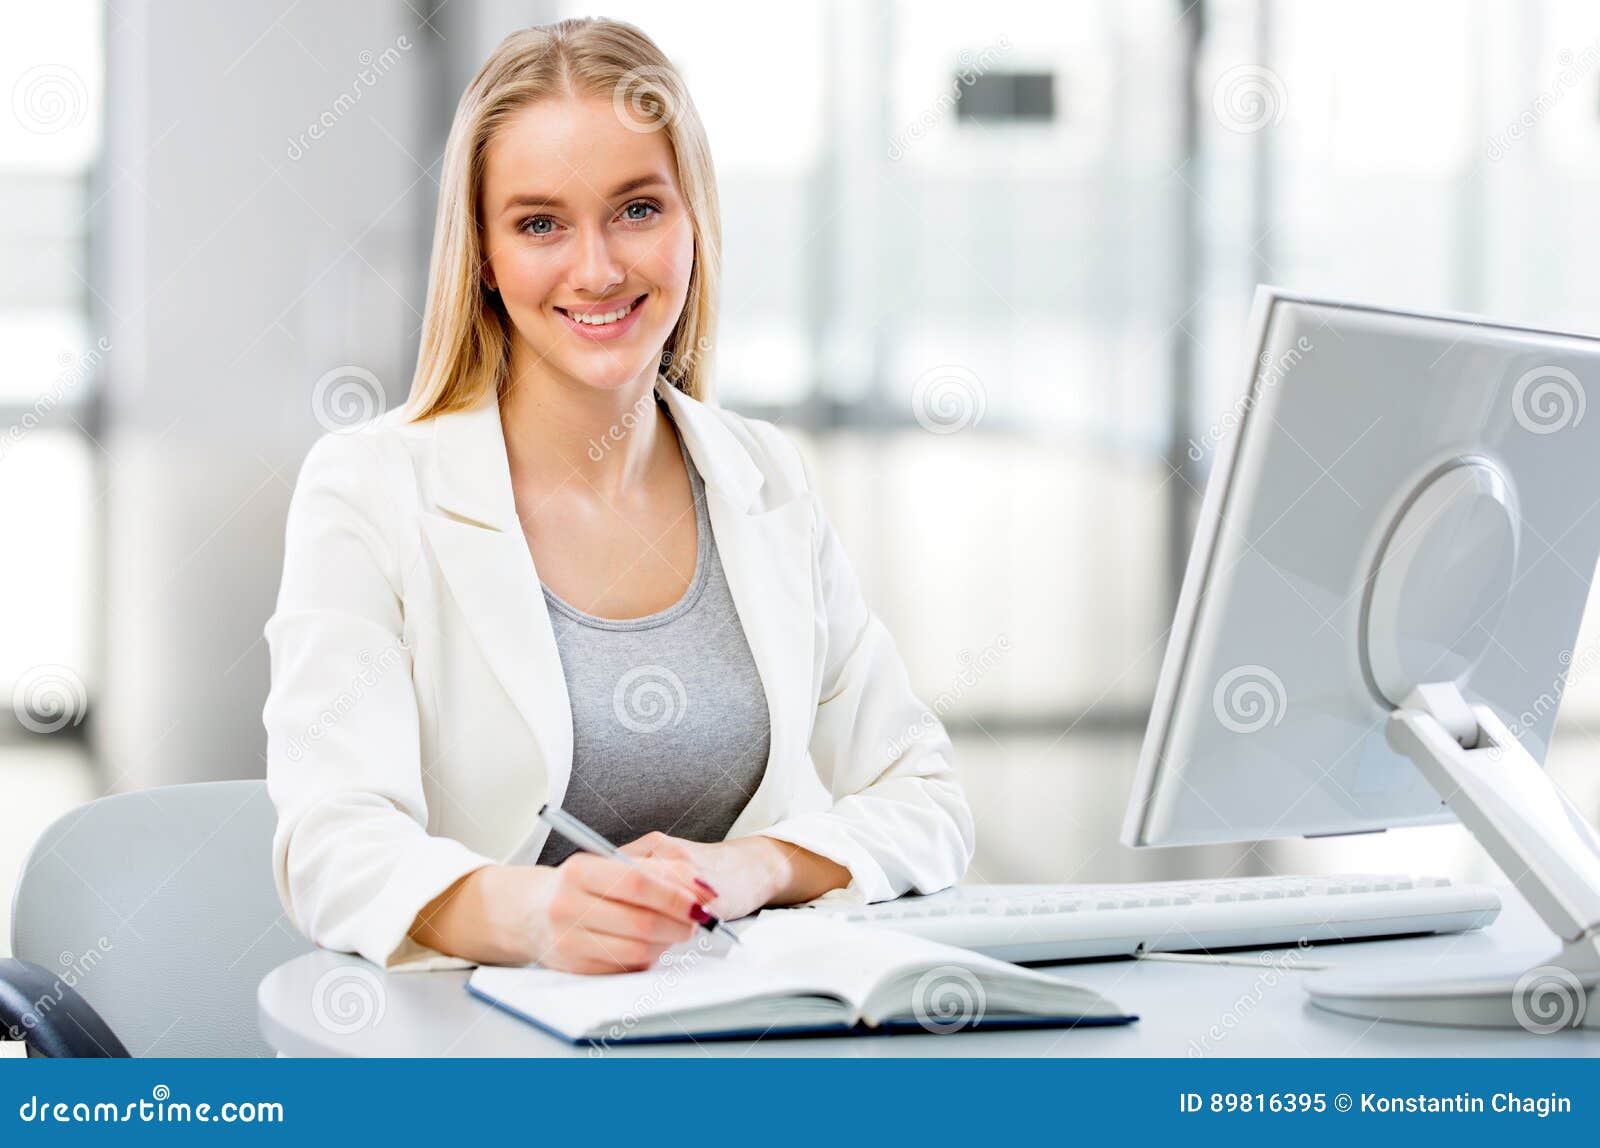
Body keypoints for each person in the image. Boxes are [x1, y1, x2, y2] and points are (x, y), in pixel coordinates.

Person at [263, 17, 974, 975]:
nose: (596, 269)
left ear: (694, 223)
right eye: (540, 223)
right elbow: (332, 847)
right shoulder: (370, 491)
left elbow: (925, 795)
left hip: (741, 1043)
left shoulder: (765, 477)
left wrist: (751, 869)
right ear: (481, 253)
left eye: (637, 209)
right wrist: (538, 916)